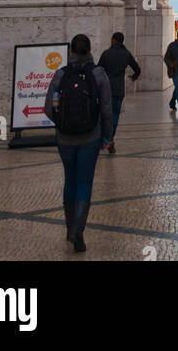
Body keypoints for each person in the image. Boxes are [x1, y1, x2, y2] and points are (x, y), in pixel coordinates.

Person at [45, 33, 113, 252]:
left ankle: (69, 229)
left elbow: (49, 107)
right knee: (84, 183)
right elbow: (106, 110)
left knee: (70, 181)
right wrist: (107, 136)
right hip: (90, 137)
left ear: (71, 51)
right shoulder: (99, 74)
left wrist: (61, 123)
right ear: (90, 49)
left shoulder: (60, 75)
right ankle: (78, 230)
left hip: (64, 138)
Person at [96, 31, 140, 154]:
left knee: (103, 114)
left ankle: (104, 139)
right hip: (119, 89)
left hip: (106, 88)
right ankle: (110, 139)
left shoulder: (106, 53)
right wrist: (134, 77)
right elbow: (137, 69)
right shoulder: (126, 54)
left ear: (113, 40)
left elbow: (99, 69)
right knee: (114, 115)